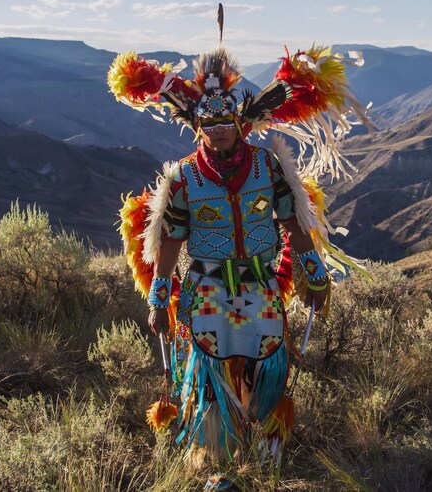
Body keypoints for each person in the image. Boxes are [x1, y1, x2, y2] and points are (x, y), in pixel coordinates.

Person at [110, 40, 370, 490]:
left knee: (268, 362)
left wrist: (313, 272)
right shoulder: (185, 178)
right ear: (197, 126)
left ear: (240, 122)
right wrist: (159, 296)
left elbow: (293, 221)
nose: (218, 130)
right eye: (208, 123)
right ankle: (216, 461)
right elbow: (169, 243)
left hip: (261, 287)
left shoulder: (268, 167)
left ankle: (267, 459)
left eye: (225, 121)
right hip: (207, 290)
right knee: (211, 370)